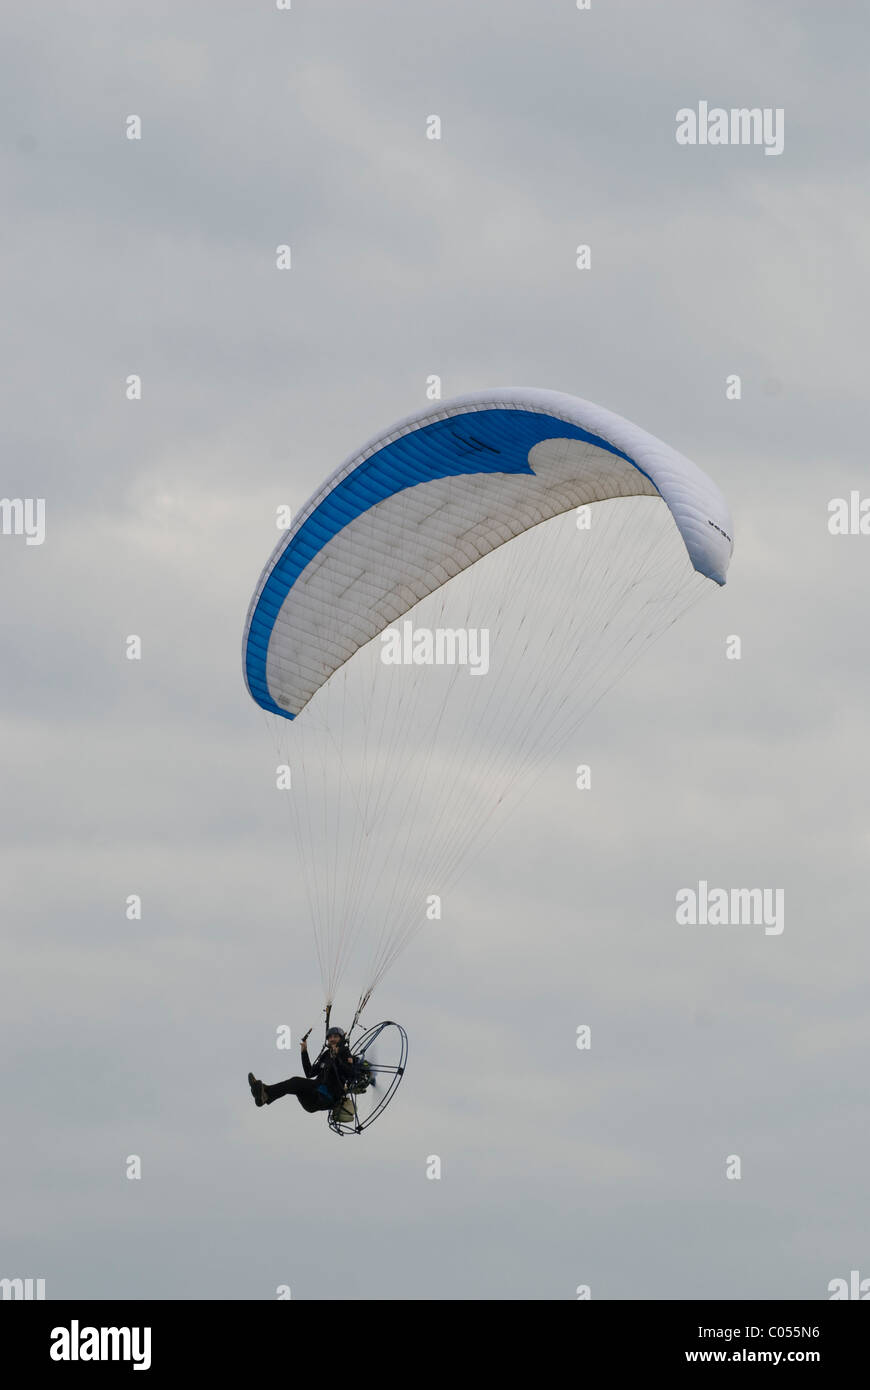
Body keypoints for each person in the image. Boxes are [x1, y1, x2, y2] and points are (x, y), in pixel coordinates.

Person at [248, 1027, 355, 1114]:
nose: (332, 1039)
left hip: (327, 1096)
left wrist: (338, 1059)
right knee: (295, 1084)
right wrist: (304, 1052)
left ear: (341, 1039)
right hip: (314, 1095)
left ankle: (266, 1094)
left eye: (335, 1037)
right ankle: (264, 1094)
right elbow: (309, 1073)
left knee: (296, 1082)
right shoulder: (327, 1054)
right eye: (330, 1037)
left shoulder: (345, 1052)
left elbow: (350, 1074)